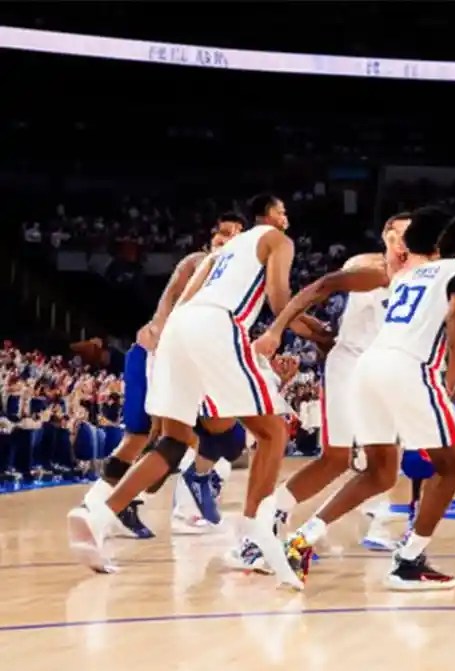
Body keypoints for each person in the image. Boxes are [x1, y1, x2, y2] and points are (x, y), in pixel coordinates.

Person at [67, 194, 318, 584]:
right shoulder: (275, 238)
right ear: (269, 215)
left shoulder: (219, 253)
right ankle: (255, 536)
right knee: (272, 432)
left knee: (173, 440)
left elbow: (183, 300)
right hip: (217, 324)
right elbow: (279, 298)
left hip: (178, 329)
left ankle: (97, 514)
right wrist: (318, 332)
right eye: (282, 211)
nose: (286, 218)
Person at [268, 210, 455, 591]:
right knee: (452, 466)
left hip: (368, 369)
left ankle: (300, 540)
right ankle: (409, 560)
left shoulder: (403, 276)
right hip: (410, 369)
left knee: (380, 471)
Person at [83, 211, 245, 539]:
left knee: (163, 439)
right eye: (222, 233)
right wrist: (159, 322)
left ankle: (113, 502)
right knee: (154, 437)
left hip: (179, 358)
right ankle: (108, 503)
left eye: (234, 235)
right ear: (210, 237)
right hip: (155, 353)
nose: (226, 239)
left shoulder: (232, 278)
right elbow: (170, 295)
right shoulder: (199, 261)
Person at [266, 211, 414, 551]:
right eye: (398, 234)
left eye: (411, 235)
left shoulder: (422, 275)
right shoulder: (367, 265)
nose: (404, 241)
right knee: (335, 459)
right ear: (386, 236)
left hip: (387, 372)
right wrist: (279, 329)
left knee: (385, 472)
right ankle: (266, 520)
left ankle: (305, 535)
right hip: (352, 364)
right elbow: (327, 286)